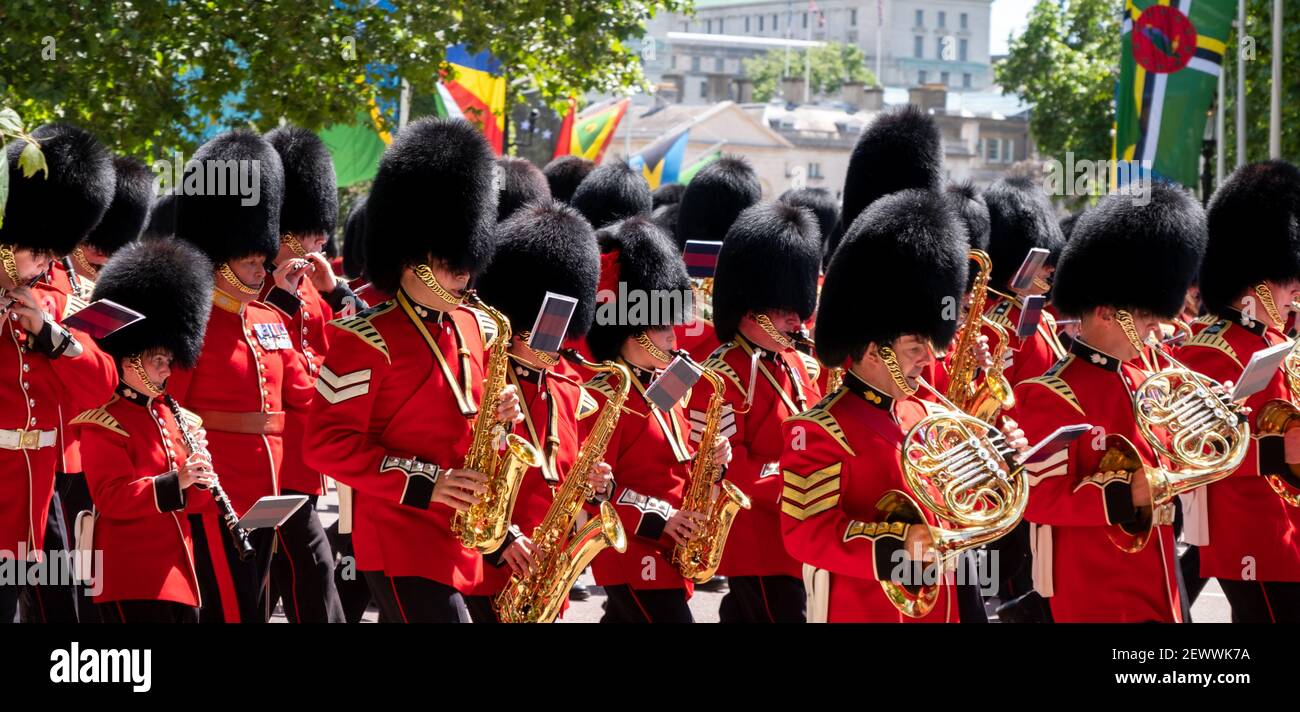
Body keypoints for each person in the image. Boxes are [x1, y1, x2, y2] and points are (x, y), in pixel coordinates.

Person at [304, 118, 522, 623]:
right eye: (452, 262)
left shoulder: (475, 328)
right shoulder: (368, 339)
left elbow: (472, 431)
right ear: (414, 256)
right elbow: (325, 444)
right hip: (398, 533)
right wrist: (429, 482)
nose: (465, 273)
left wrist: (502, 422)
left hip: (457, 535)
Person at [1011, 183, 1206, 622]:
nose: (1155, 325)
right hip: (1096, 587)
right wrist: (1121, 493)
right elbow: (1038, 498)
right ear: (1103, 311)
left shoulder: (1152, 375)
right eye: (1143, 315)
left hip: (1160, 573)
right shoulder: (1049, 392)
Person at [584, 216, 731, 622]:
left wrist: (714, 463)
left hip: (668, 552)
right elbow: (598, 491)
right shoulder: (606, 394)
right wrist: (662, 520)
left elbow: (677, 465)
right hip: (634, 551)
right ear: (631, 329)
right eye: (663, 326)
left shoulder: (668, 387)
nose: (674, 337)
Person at [1177, 160, 1300, 622]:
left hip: (1286, 531)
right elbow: (1199, 451)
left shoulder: (1272, 339)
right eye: (1288, 278)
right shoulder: (1211, 349)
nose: (1295, 290)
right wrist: (1279, 447)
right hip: (1253, 535)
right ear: (1257, 276)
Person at [692, 201, 822, 623]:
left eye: (795, 307)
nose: (794, 318)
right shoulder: (723, 373)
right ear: (750, 307)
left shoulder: (801, 364)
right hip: (757, 539)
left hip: (802, 531)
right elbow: (730, 466)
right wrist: (797, 485)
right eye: (782, 308)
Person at [75, 238, 213, 623]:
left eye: (170, 360)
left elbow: (197, 505)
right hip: (129, 575)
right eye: (158, 361)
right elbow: (112, 498)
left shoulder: (178, 418)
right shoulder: (104, 421)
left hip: (178, 575)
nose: (168, 370)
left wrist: (200, 480)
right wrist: (177, 481)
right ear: (130, 359)